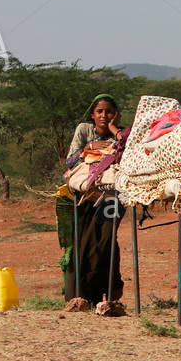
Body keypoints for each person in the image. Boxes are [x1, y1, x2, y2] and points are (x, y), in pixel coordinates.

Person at [62, 95, 127, 306]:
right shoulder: (84, 130)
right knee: (84, 241)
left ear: (115, 114)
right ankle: (82, 295)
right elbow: (70, 161)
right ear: (92, 114)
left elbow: (131, 152)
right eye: (99, 111)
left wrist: (113, 129)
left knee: (106, 240)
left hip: (112, 196)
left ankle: (108, 293)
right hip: (85, 196)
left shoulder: (122, 133)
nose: (103, 115)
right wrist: (90, 148)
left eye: (109, 112)